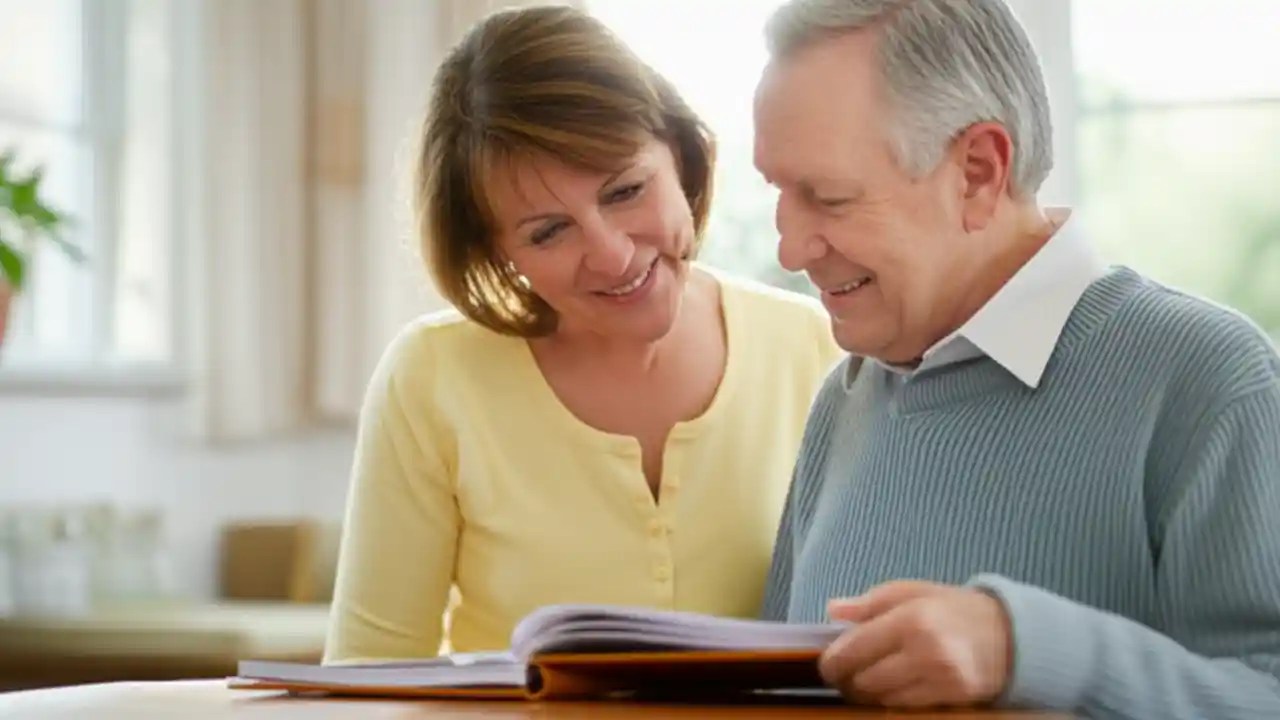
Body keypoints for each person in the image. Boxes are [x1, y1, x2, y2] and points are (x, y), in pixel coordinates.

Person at [752, 0, 1280, 718]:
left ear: (977, 170)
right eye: (780, 193)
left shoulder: (1208, 378)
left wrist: (1025, 649)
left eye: (829, 197)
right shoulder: (845, 400)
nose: (789, 249)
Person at [323, 5, 844, 663]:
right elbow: (369, 675)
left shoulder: (818, 351)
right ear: (497, 251)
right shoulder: (431, 380)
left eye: (626, 190)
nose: (611, 255)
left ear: (681, 157)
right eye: (547, 231)